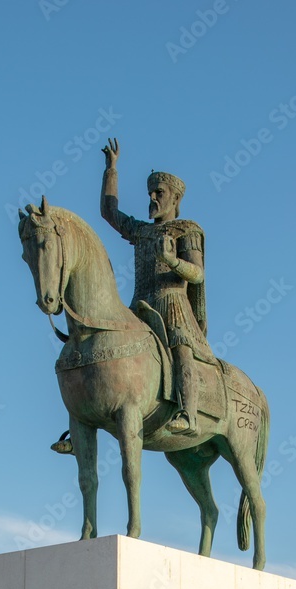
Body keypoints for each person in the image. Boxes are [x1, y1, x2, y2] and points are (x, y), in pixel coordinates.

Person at [100, 137, 214, 434]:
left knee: (180, 347)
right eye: (150, 192)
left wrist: (171, 260)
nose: (152, 197)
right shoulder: (141, 231)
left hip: (172, 304)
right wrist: (111, 169)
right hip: (140, 305)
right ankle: (88, 416)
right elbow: (109, 213)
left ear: (175, 199)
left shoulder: (187, 229)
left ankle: (188, 413)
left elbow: (197, 273)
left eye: (159, 192)